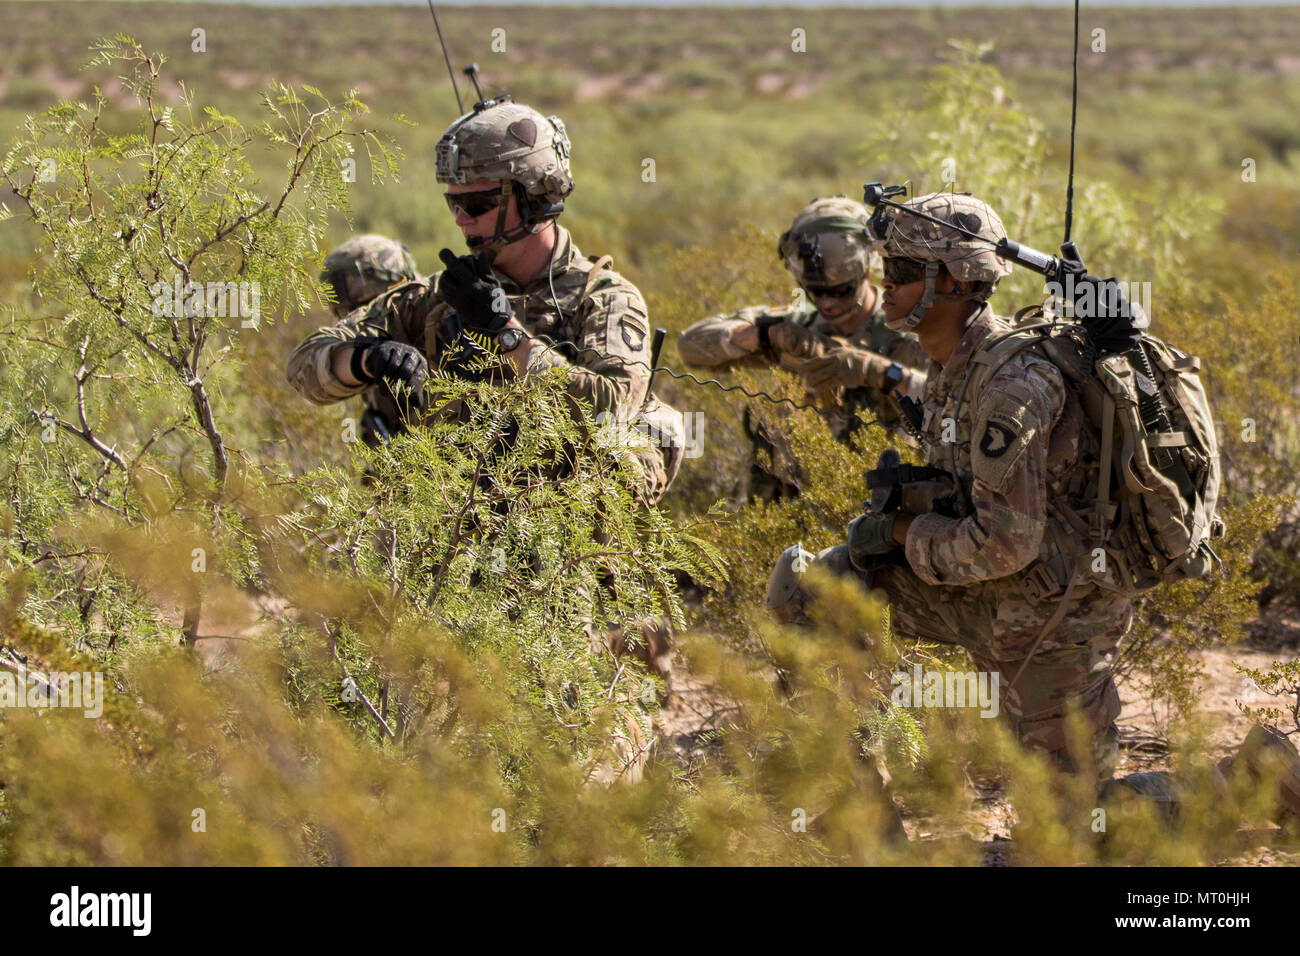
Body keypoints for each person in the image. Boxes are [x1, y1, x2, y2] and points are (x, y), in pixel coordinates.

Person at [285, 96, 682, 716]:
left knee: (579, 750)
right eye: (453, 203)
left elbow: (609, 408)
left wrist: (508, 337)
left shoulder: (604, 300)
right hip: (460, 545)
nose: (462, 221)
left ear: (535, 192)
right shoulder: (432, 299)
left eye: (477, 202)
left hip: (571, 549)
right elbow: (306, 364)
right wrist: (369, 361)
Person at [766, 191, 1131, 784]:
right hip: (990, 595)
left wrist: (900, 530)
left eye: (905, 272)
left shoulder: (1011, 384)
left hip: (1053, 617)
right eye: (886, 268)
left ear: (958, 283)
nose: (886, 285)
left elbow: (1003, 545)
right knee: (812, 589)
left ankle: (1255, 781)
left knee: (1079, 832)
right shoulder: (949, 369)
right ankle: (862, 826)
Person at [677, 196, 928, 500]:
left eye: (840, 290)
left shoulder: (908, 331)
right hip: (797, 506)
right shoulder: (797, 324)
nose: (826, 303)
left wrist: (881, 374)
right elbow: (691, 346)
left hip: (887, 509)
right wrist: (765, 336)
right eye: (815, 291)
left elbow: (954, 408)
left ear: (866, 270)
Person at [317, 234, 420, 448]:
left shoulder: (435, 330)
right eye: (345, 312)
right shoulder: (367, 345)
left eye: (366, 305)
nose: (357, 319)